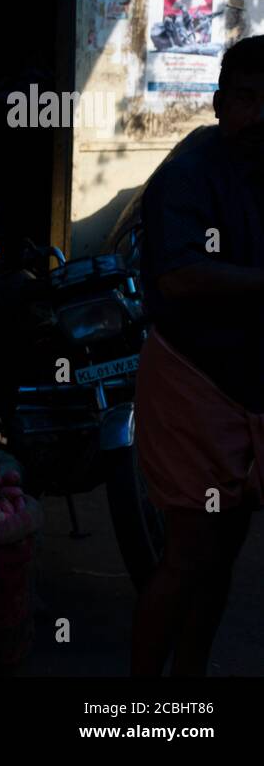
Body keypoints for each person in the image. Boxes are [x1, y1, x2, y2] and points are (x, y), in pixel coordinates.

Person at [131, 35, 264, 676]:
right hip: (194, 383)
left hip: (252, 385)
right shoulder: (188, 173)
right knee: (188, 555)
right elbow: (180, 275)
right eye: (248, 99)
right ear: (219, 103)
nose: (262, 115)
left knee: (224, 551)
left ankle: (189, 691)